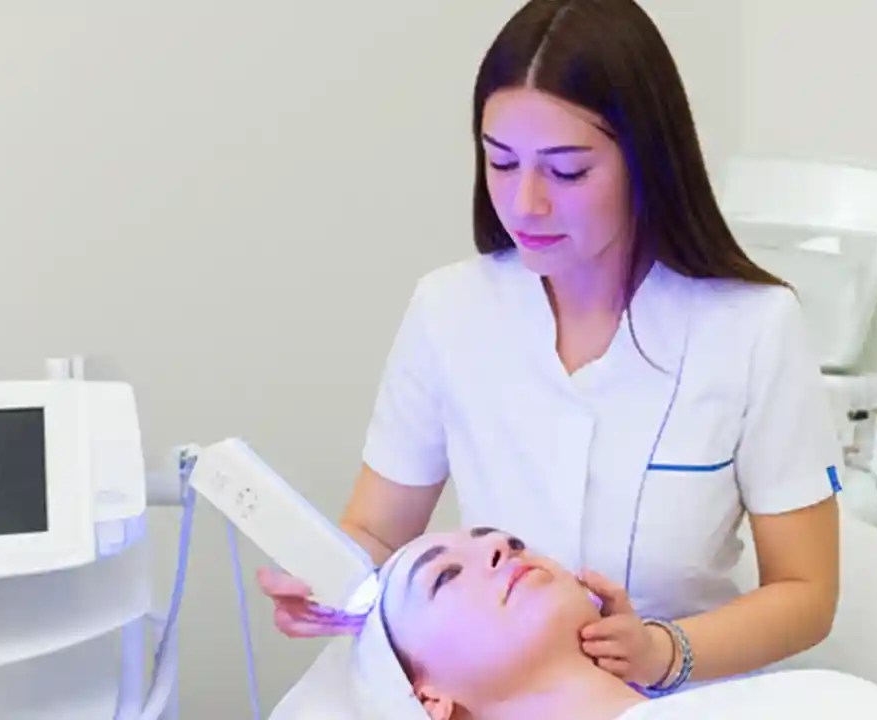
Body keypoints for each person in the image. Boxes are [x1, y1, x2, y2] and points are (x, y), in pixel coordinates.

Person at [261, 0, 845, 694]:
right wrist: (330, 578)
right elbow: (380, 534)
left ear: (646, 159)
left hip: (678, 701)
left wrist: (665, 650)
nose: (525, 204)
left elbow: (807, 592)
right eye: (501, 163)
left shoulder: (752, 327)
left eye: (566, 171)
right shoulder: (449, 311)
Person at [328, 527, 877, 720]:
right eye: (443, 578)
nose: (500, 551)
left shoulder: (815, 703)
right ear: (426, 697)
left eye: (507, 539)